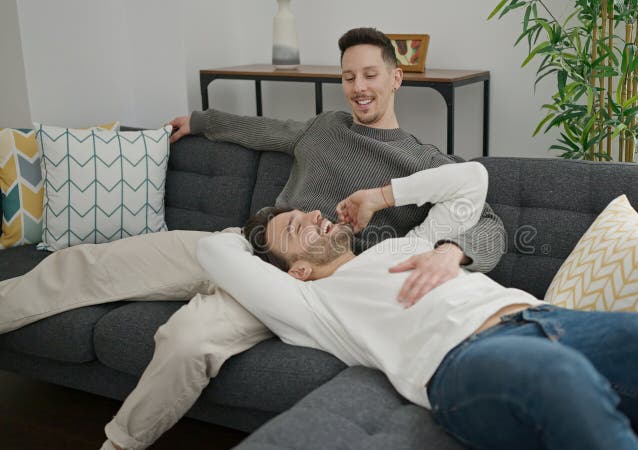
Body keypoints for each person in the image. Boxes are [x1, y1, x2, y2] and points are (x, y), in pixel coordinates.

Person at [0, 28, 506, 450]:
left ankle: (119, 443)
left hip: (301, 280)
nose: (358, 88)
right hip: (240, 243)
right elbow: (261, 129)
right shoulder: (325, 127)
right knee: (89, 263)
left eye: (370, 75)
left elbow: (488, 220)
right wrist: (198, 121)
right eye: (348, 77)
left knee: (187, 341)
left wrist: (451, 252)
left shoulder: (426, 162)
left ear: (396, 78)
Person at [197, 161, 638, 450]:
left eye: (308, 211)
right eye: (296, 229)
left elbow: (472, 182)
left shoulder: (406, 244)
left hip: (553, 320)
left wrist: (388, 200)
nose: (313, 217)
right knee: (561, 379)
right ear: (294, 269)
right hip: (468, 364)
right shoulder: (310, 301)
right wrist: (264, 226)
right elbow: (212, 251)